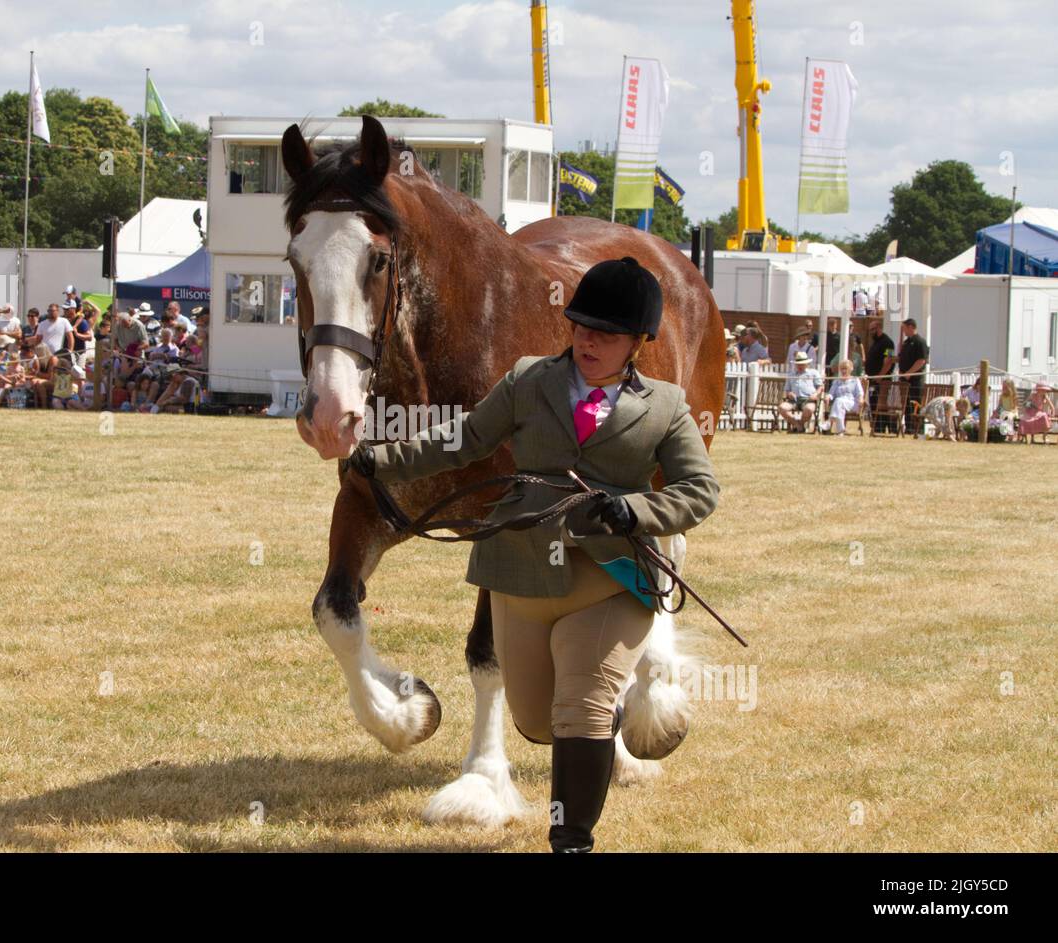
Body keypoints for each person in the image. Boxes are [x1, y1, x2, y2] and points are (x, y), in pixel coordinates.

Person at [346, 256, 719, 853]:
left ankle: (571, 840)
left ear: (638, 344)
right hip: (519, 573)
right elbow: (464, 440)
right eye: (581, 327)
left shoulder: (668, 406)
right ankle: (599, 730)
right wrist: (381, 460)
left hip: (610, 579)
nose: (589, 341)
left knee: (583, 710)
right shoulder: (527, 380)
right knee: (538, 721)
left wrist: (634, 511)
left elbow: (701, 491)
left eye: (607, 334)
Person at [895, 318, 929, 434]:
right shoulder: (906, 342)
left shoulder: (920, 342)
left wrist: (909, 373)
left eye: (904, 328)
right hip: (905, 379)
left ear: (911, 327)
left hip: (915, 380)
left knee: (915, 404)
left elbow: (921, 360)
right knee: (906, 404)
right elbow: (901, 356)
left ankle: (917, 429)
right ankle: (909, 429)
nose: (903, 331)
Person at [864, 320, 897, 433]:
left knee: (882, 404)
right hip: (873, 379)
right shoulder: (875, 343)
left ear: (878, 328)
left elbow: (889, 361)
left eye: (872, 329)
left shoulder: (888, 342)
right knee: (874, 404)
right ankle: (878, 427)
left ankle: (888, 428)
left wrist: (881, 376)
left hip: (883, 380)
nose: (870, 332)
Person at [779, 350, 823, 432]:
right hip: (793, 400)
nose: (800, 366)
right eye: (798, 364)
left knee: (809, 409)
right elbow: (787, 390)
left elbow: (820, 387)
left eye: (802, 364)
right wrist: (789, 394)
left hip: (808, 399)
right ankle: (797, 424)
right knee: (782, 407)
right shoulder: (791, 375)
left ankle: (800, 425)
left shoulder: (813, 373)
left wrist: (815, 394)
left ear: (807, 364)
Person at [824, 359, 865, 435]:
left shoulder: (855, 380)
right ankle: (840, 431)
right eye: (842, 369)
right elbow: (831, 393)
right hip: (839, 404)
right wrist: (828, 397)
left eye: (845, 369)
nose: (843, 371)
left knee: (838, 401)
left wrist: (861, 399)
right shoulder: (837, 381)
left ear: (850, 369)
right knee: (839, 405)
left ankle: (830, 421)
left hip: (853, 404)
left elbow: (860, 393)